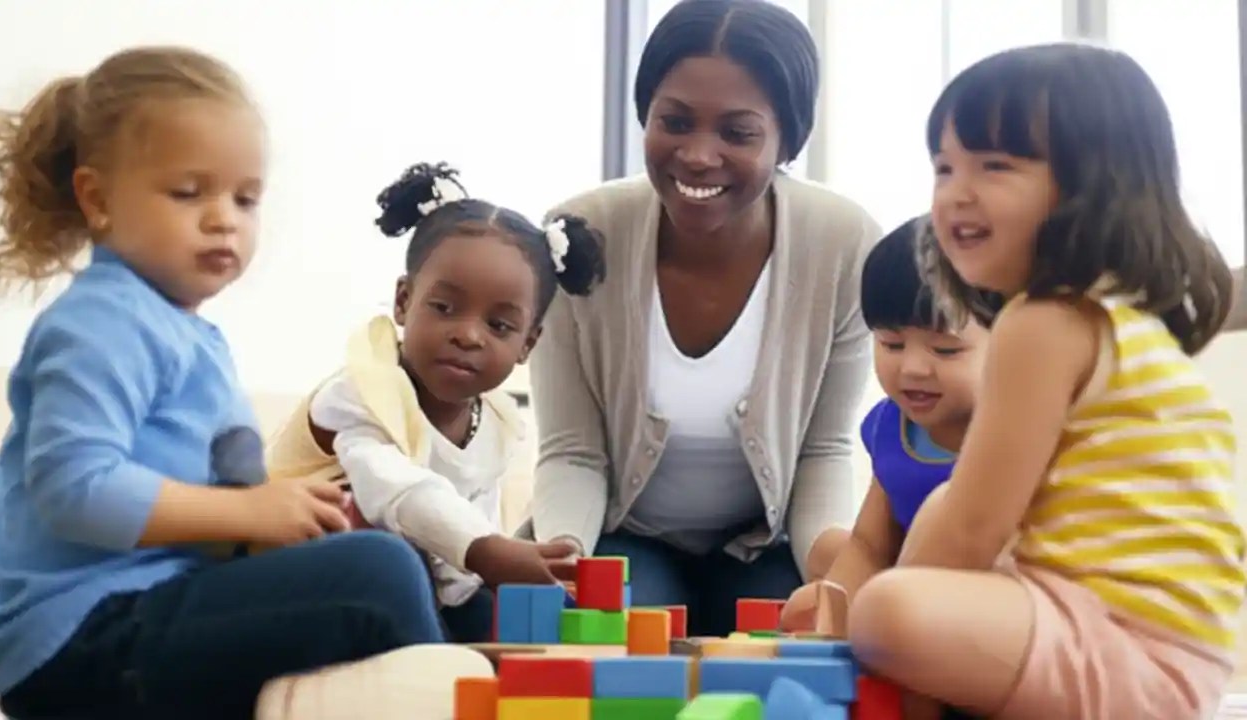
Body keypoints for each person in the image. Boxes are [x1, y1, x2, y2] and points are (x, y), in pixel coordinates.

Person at [0, 47, 449, 720]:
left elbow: (212, 507)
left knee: (385, 561)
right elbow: (73, 489)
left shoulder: (187, 334)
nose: (224, 217)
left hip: (140, 615)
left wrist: (279, 523)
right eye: (188, 193)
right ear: (98, 200)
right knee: (377, 577)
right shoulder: (102, 320)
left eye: (244, 198)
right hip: (84, 637)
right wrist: (248, 513)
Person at [845, 43, 1244, 720]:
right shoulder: (1116, 315)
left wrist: (867, 637)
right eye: (944, 166)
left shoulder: (1046, 323)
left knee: (888, 607)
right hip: (1156, 644)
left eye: (995, 166)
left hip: (1122, 647)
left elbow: (975, 524)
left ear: (1096, 183)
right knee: (933, 534)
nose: (956, 192)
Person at [524, 0, 881, 637]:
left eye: (737, 133)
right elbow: (572, 452)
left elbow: (823, 451)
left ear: (787, 140)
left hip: (767, 544)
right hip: (627, 536)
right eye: (675, 121)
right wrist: (565, 556)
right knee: (618, 649)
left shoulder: (844, 243)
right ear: (646, 114)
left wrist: (838, 560)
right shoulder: (579, 232)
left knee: (788, 654)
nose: (697, 155)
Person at [263, 162, 605, 642]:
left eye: (499, 326)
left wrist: (494, 578)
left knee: (519, 621)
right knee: (387, 546)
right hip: (304, 572)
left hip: (421, 580)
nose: (467, 334)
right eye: (444, 308)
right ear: (404, 301)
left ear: (528, 344)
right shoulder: (362, 391)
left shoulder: (498, 425)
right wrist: (488, 552)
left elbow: (469, 525)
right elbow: (397, 490)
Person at [777, 217, 988, 632]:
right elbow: (870, 545)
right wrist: (831, 621)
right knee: (824, 564)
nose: (911, 369)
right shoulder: (894, 426)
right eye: (890, 344)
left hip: (994, 599)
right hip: (911, 583)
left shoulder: (1019, 431)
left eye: (945, 350)